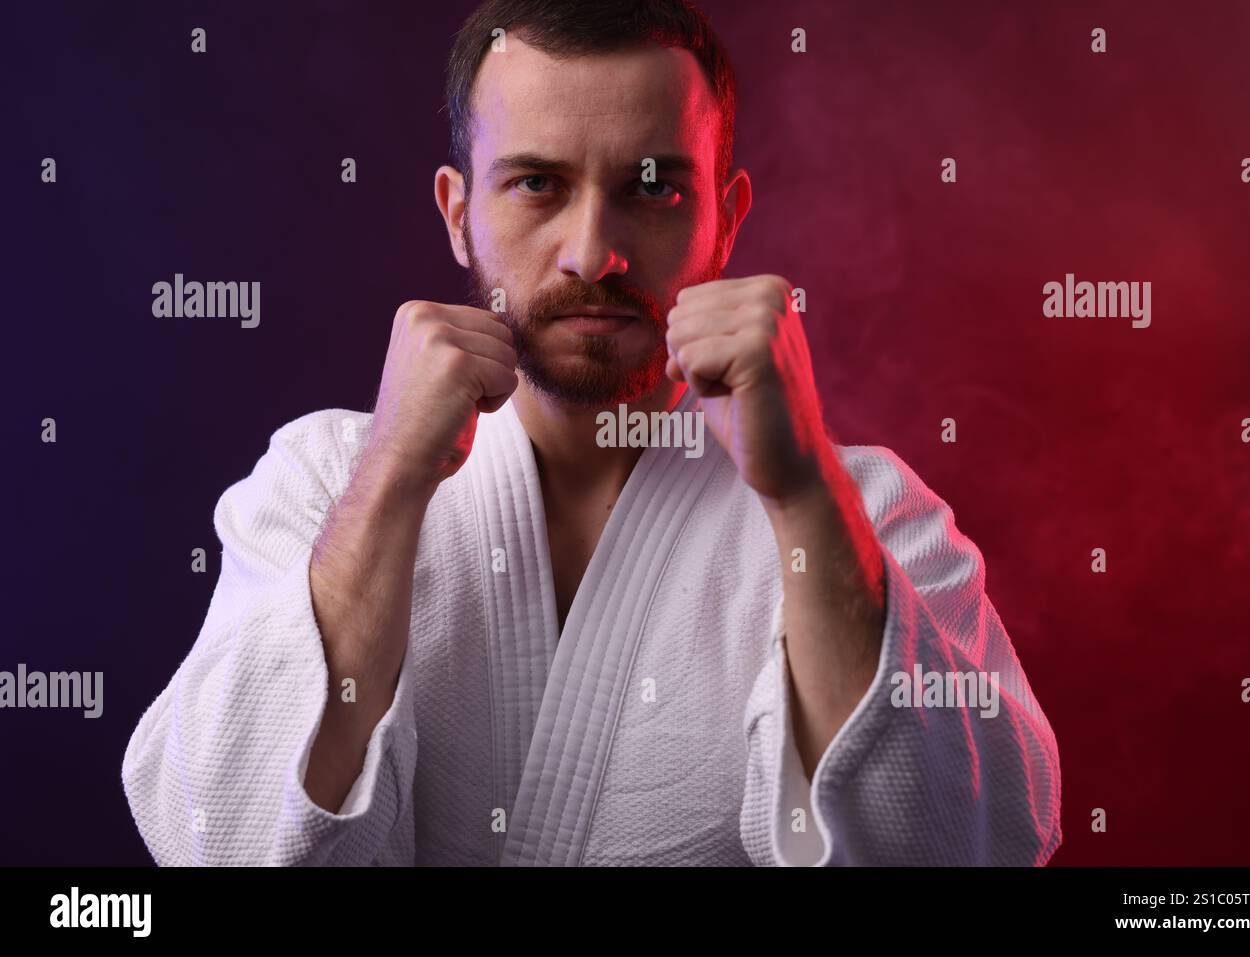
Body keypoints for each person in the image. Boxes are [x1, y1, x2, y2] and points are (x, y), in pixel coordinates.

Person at [122, 0, 1062, 866]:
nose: (591, 252)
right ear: (458, 214)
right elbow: (220, 837)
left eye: (652, 190)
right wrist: (395, 476)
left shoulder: (864, 508)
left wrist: (804, 494)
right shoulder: (324, 478)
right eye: (537, 183)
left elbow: (973, 841)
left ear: (725, 220)